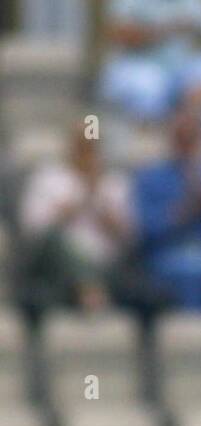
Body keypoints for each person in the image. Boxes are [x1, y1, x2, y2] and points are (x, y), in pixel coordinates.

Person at [133, 109, 201, 310]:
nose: (187, 146)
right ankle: (187, 338)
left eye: (192, 139)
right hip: (167, 254)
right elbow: (144, 230)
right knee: (188, 272)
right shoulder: (151, 177)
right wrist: (179, 214)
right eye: (181, 139)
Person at [18, 122, 133, 315]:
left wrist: (99, 201)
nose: (86, 154)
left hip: (105, 266)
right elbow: (35, 232)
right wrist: (76, 202)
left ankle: (88, 291)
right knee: (58, 241)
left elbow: (128, 236)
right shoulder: (48, 178)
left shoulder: (114, 183)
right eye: (82, 146)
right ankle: (90, 291)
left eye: (91, 148)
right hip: (55, 267)